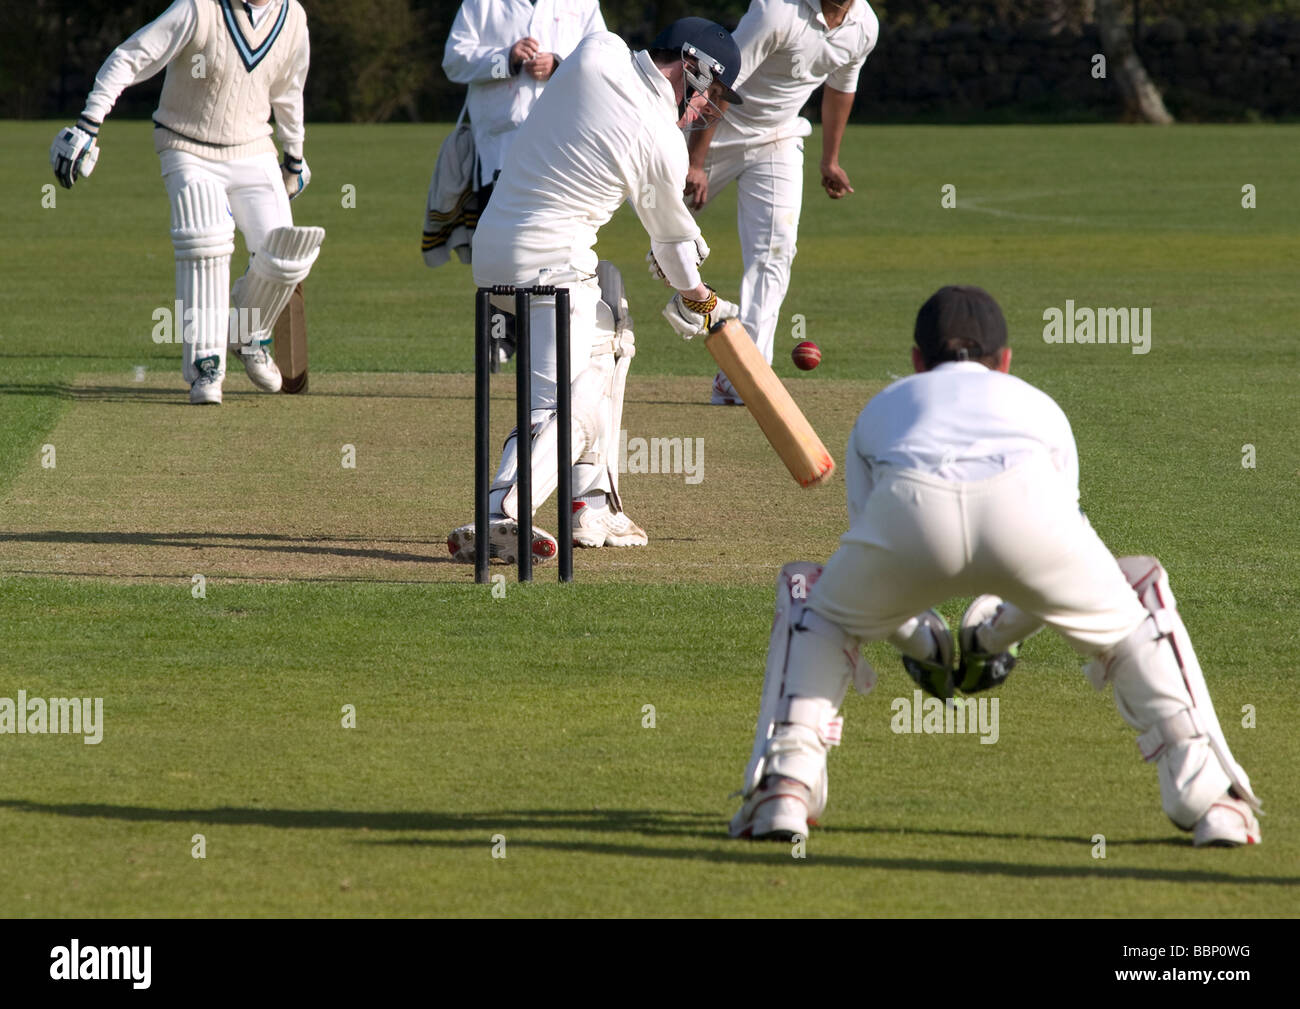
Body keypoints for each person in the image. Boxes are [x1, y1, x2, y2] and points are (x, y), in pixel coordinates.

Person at [729, 286, 1263, 848]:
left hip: (911, 513)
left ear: (917, 360)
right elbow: (1051, 567)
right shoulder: (1040, 406)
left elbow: (871, 591)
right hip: (1028, 511)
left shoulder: (884, 406)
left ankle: (785, 789)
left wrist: (925, 645)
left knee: (810, 595)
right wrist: (993, 638)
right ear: (1005, 362)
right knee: (1137, 589)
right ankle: (1212, 802)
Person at [447, 18, 745, 564]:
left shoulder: (595, 51)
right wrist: (700, 300)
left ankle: (590, 503)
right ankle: (501, 512)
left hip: (493, 247)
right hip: (550, 264)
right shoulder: (660, 139)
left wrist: (678, 265)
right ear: (694, 68)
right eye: (711, 95)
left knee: (611, 322)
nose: (705, 110)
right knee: (571, 402)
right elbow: (674, 247)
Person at [49, 0, 323, 405]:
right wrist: (89, 123)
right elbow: (132, 56)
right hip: (187, 145)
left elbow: (288, 90)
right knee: (205, 240)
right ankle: (205, 365)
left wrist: (294, 156)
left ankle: (248, 334)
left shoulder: (293, 18)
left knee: (288, 253)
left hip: (254, 148)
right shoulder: (199, 8)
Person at [676, 0, 879, 405]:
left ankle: (743, 375)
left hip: (778, 139)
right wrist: (695, 162)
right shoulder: (775, 11)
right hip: (717, 133)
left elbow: (841, 88)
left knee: (776, 249)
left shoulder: (864, 26)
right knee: (654, 229)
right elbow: (717, 80)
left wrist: (830, 160)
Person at [439, 0, 607, 367]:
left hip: (560, 142)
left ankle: (548, 340)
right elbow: (454, 60)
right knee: (500, 244)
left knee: (556, 242)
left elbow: (603, 60)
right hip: (499, 142)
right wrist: (507, 58)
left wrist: (560, 65)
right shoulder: (481, 3)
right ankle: (498, 337)